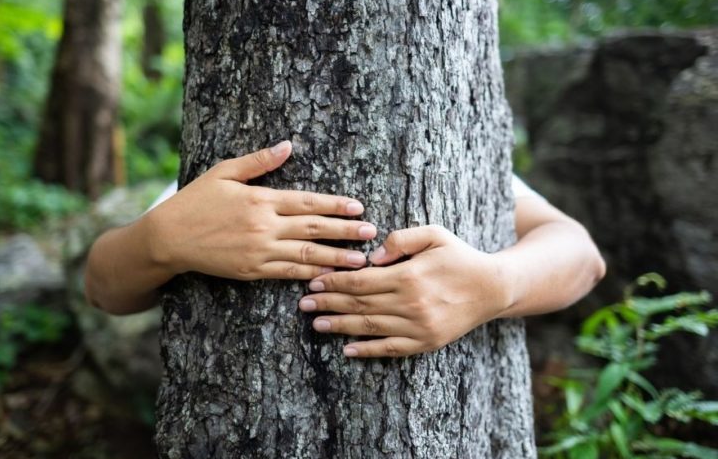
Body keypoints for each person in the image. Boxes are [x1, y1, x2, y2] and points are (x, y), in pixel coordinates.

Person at [85, 140, 606, 358]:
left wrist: (498, 285)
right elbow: (104, 288)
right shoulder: (214, 184)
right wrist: (162, 240)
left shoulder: (452, 150)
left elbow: (581, 255)